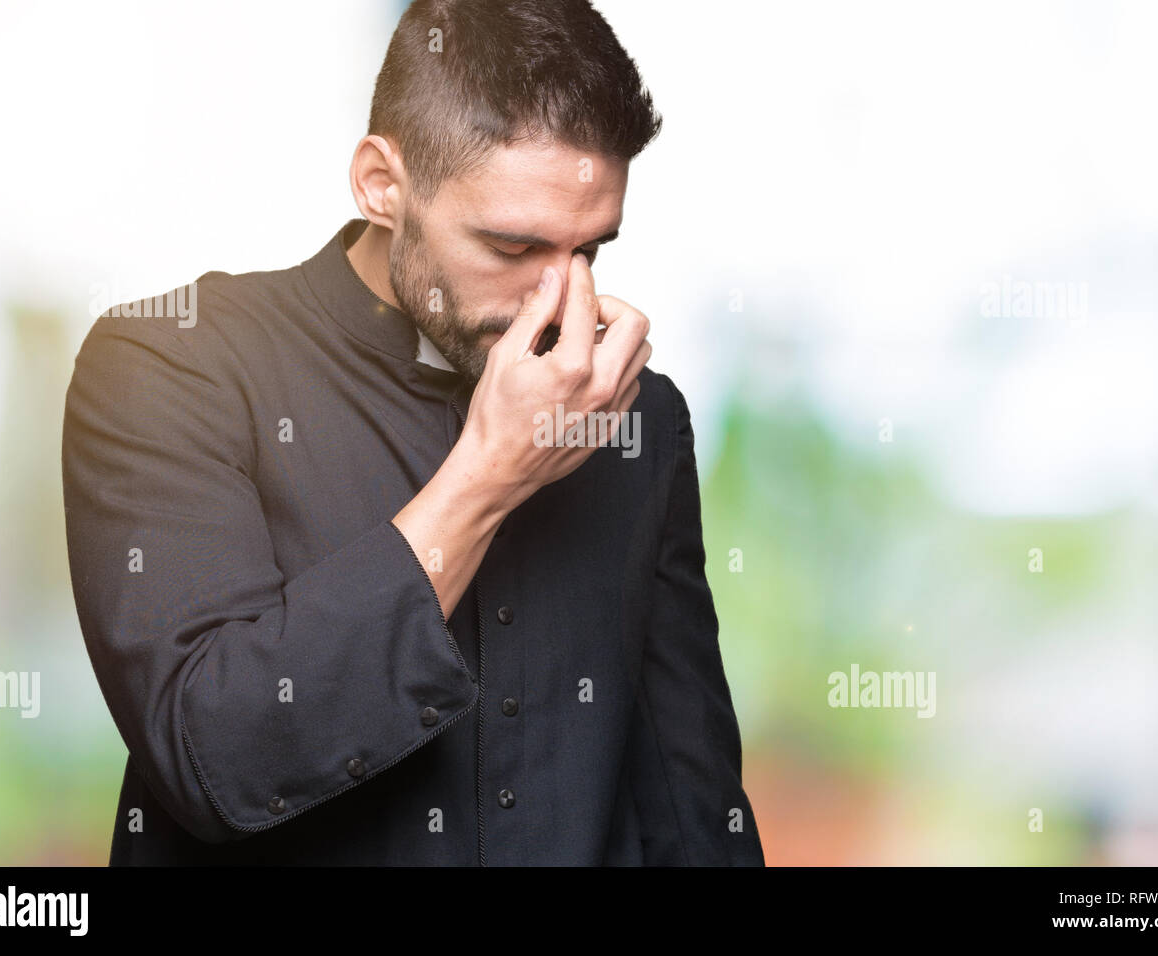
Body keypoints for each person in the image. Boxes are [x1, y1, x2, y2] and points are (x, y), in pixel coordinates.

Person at [62, 0, 765, 865]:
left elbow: (691, 805)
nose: (560, 307)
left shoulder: (636, 416)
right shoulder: (169, 364)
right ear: (381, 184)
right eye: (512, 248)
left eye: (590, 252)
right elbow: (214, 755)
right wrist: (488, 474)